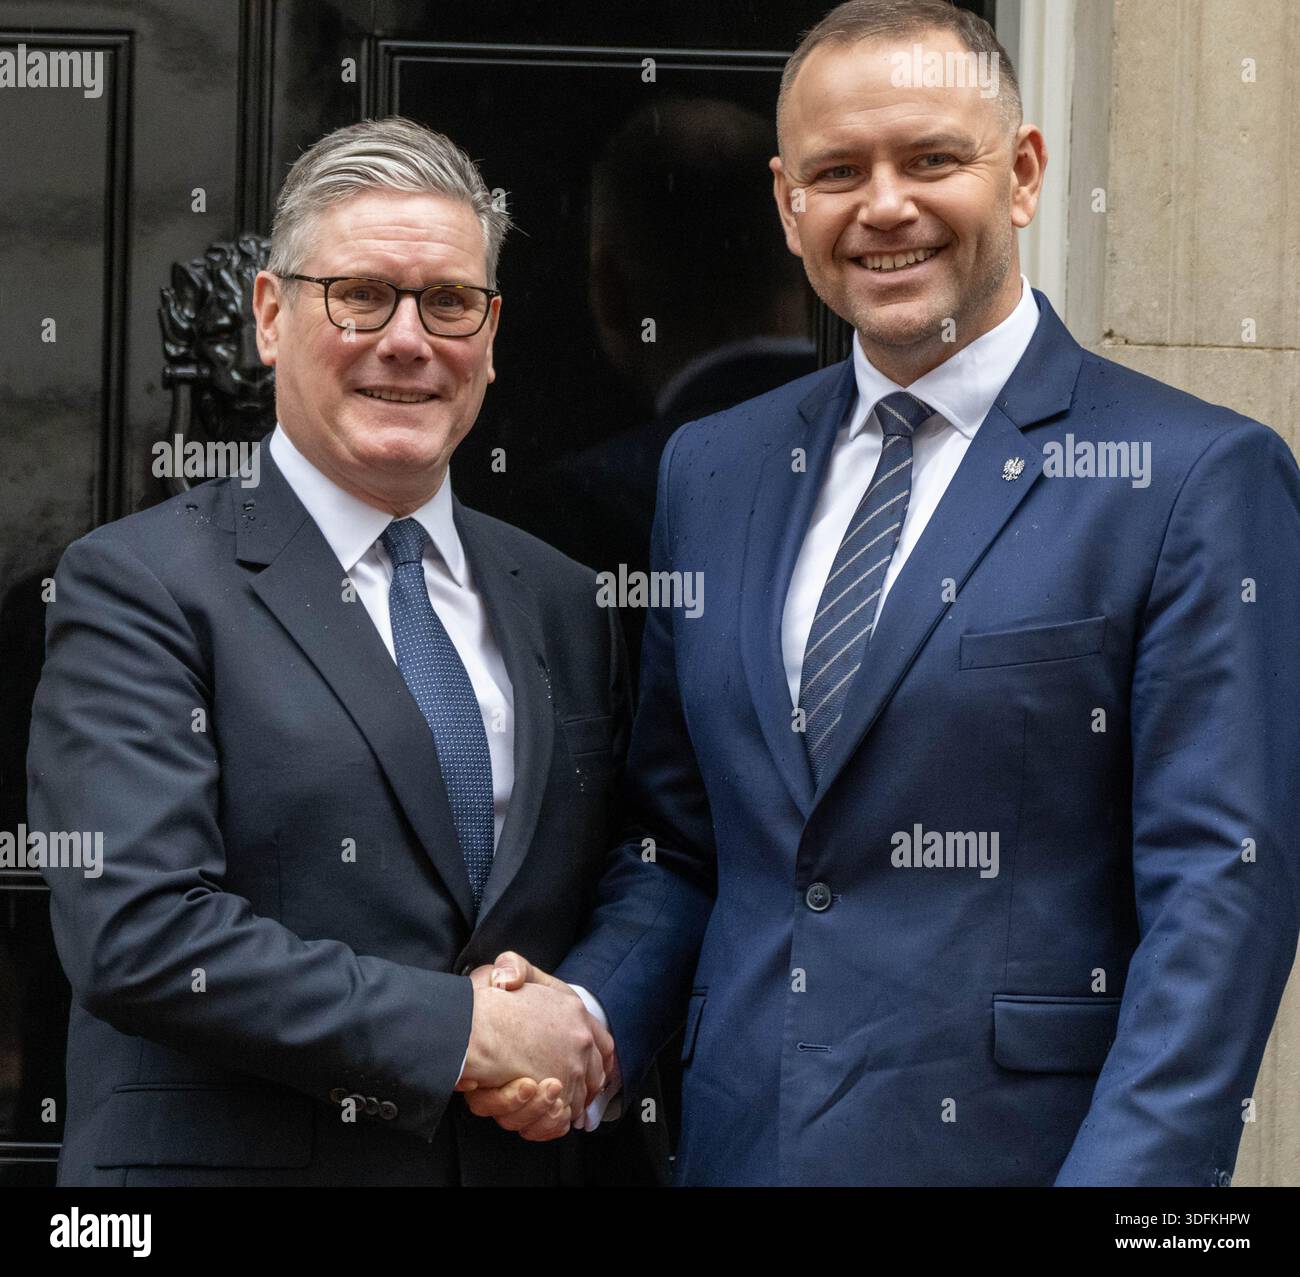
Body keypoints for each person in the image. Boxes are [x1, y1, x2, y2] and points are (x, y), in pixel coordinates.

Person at [471, 0, 1300, 1185]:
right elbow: (685, 844)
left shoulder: (1193, 478)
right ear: (786, 203)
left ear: (1020, 174)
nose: (884, 205)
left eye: (929, 159)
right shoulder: (715, 469)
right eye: (837, 170)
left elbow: (1220, 905)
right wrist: (582, 1027)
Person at [27, 116, 662, 1186]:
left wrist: (578, 1024)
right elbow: (138, 929)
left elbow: (640, 862)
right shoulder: (139, 584)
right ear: (272, 316)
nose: (407, 339)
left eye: (449, 301)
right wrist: (465, 1029)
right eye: (361, 293)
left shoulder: (560, 594)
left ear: (492, 333)